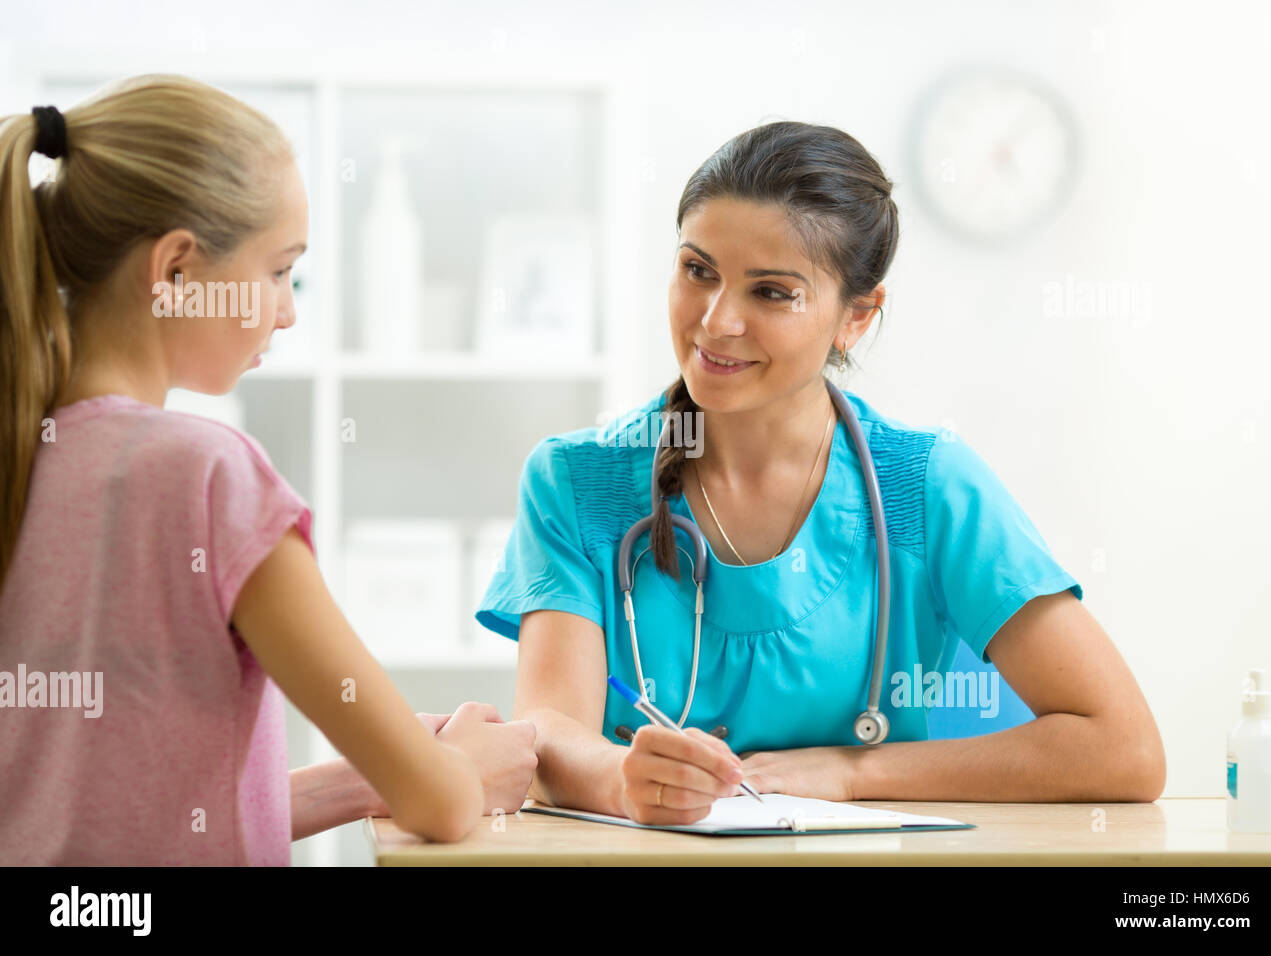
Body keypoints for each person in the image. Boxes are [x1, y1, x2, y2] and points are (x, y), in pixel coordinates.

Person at [475, 120, 1165, 825]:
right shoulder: (575, 480)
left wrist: (853, 772)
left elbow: (1124, 749)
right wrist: (626, 781)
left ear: (856, 317)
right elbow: (549, 732)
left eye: (772, 292)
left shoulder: (926, 485)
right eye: (698, 271)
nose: (716, 321)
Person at [0, 75, 536, 865]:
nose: (286, 311)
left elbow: (134, 813)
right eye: (280, 271)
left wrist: (365, 780)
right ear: (175, 271)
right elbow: (442, 805)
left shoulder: (22, 454)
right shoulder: (209, 476)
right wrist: (465, 768)